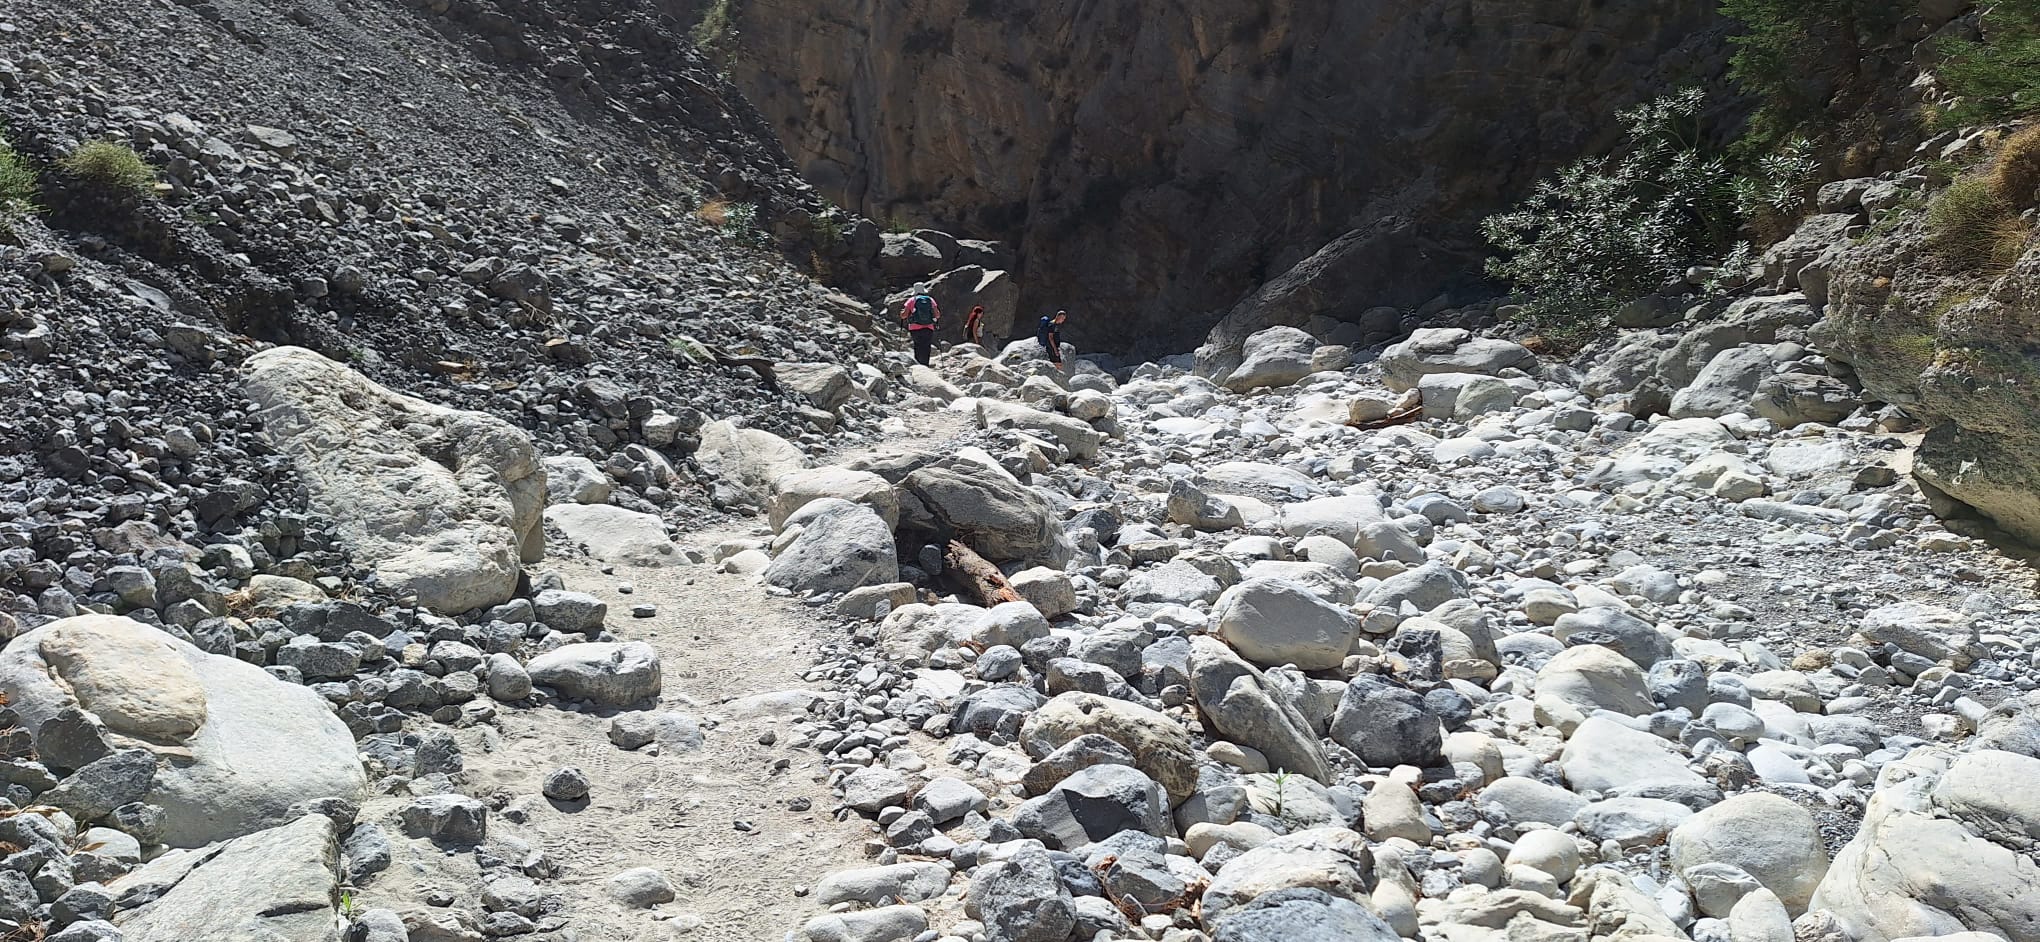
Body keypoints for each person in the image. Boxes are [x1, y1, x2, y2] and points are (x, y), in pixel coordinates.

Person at [900, 291, 941, 366]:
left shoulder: (911, 300)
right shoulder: (930, 300)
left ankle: (918, 365)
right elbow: (937, 315)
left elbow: (904, 316)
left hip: (914, 328)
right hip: (928, 327)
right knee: (926, 346)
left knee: (918, 345)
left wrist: (901, 313)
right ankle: (925, 364)